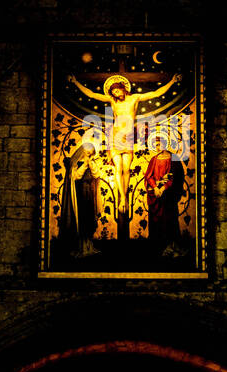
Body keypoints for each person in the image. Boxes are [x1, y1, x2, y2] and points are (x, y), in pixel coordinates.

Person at [69, 71, 180, 216]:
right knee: (118, 168)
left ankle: (124, 198)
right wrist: (76, 82)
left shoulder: (135, 98)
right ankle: (122, 198)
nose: (116, 93)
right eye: (113, 91)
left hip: (127, 137)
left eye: (117, 89)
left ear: (123, 88)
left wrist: (172, 81)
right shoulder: (112, 101)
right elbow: (92, 94)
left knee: (126, 169)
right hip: (115, 136)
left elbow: (155, 93)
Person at [142, 131, 185, 257]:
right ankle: (158, 247)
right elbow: (149, 176)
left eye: (159, 144)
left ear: (165, 144)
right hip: (156, 196)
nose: (157, 147)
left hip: (168, 196)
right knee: (156, 222)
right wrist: (155, 187)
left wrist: (164, 188)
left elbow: (175, 177)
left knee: (170, 220)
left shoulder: (174, 159)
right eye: (155, 145)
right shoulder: (154, 159)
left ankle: (171, 246)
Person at [58, 141, 101, 257]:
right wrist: (85, 165)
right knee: (82, 220)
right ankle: (82, 248)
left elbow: (97, 175)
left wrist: (91, 165)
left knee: (89, 219)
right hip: (79, 194)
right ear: (83, 152)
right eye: (87, 153)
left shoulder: (91, 162)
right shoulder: (76, 163)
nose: (89, 156)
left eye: (91, 154)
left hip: (89, 194)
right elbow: (76, 176)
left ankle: (89, 246)